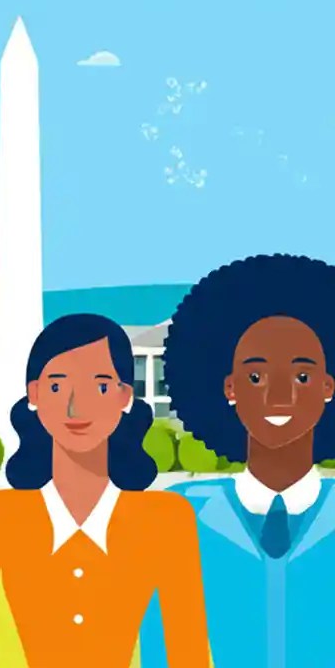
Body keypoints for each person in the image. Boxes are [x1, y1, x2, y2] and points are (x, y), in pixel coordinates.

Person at [0, 313, 209, 668]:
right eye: (57, 386)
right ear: (33, 395)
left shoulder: (166, 520)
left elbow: (186, 652)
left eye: (100, 386)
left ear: (124, 397)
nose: (75, 407)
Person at [140, 254, 335, 668]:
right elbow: (161, 649)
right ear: (229, 388)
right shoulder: (179, 518)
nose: (279, 398)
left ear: (327, 387)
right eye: (255, 377)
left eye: (302, 377)